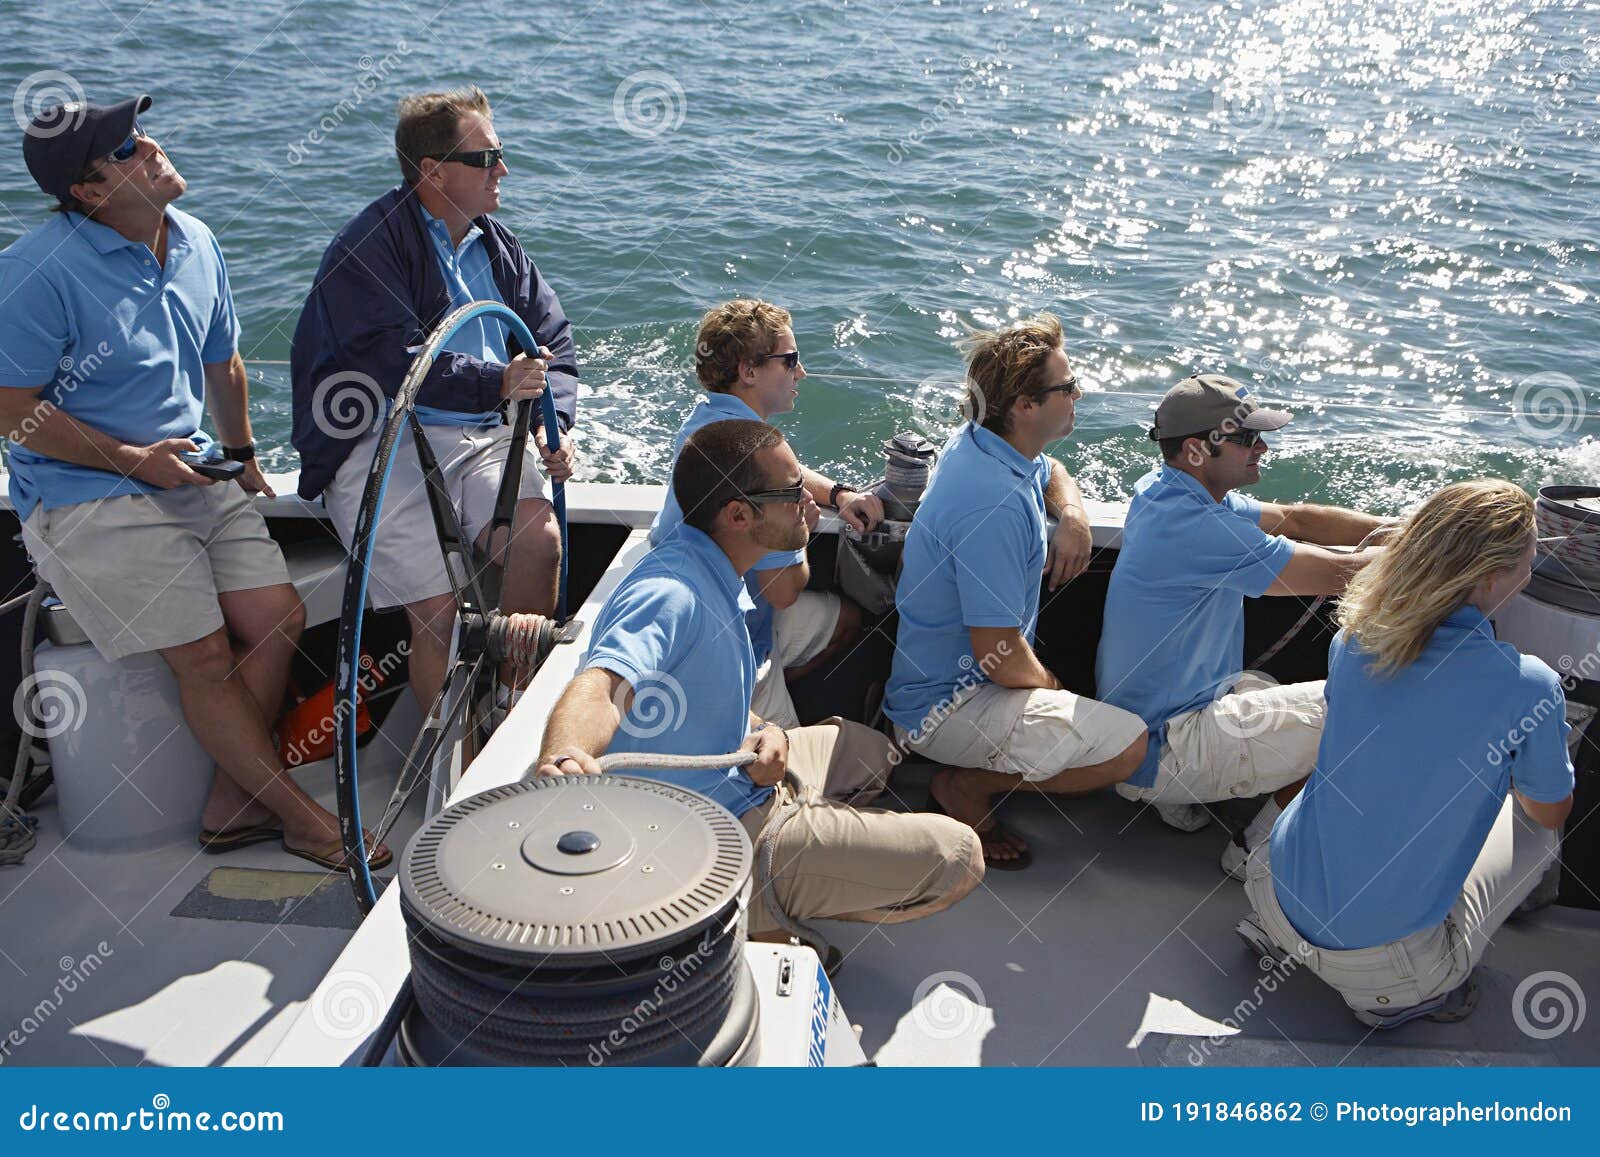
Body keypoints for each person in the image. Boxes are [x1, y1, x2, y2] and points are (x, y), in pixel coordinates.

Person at [0, 94, 384, 869]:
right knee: (206, 654)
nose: (151, 146)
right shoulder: (32, 274)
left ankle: (230, 801)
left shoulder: (196, 240)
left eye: (143, 133)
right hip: (87, 493)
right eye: (127, 149)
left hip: (196, 470)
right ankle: (300, 816)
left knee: (277, 616)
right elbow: (12, 413)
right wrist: (135, 461)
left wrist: (240, 453)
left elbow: (225, 361)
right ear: (89, 190)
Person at [537, 420, 981, 956]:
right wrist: (565, 757)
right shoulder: (670, 593)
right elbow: (603, 686)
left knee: (872, 752)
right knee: (959, 858)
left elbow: (702, 698)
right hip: (712, 830)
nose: (807, 500)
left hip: (742, 769)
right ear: (739, 515)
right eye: (792, 491)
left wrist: (764, 729)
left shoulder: (720, 571)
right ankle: (753, 902)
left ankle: (792, 862)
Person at [1238, 479, 1574, 1028]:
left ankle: (1279, 936)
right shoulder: (1530, 687)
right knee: (1537, 823)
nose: (1530, 574)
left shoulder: (1353, 636)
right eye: (1526, 563)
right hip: (1382, 972)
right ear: (1491, 576)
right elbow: (1549, 811)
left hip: (1270, 893)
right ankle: (1400, 999)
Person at [291, 86, 578, 713]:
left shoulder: (496, 244)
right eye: (486, 158)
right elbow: (391, 360)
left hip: (479, 430)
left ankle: (511, 703)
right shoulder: (368, 246)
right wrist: (497, 382)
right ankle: (454, 769)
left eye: (500, 154)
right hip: (380, 438)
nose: (502, 169)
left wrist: (552, 424)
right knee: (437, 610)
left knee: (539, 541)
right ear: (433, 171)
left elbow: (552, 337)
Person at [1095, 374, 1389, 878]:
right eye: (1248, 438)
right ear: (1195, 449)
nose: (1263, 447)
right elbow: (1340, 573)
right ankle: (1252, 852)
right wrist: (1441, 549)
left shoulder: (1168, 491)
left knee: (1274, 692)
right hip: (1164, 745)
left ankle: (1177, 796)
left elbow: (1298, 518)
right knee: (1364, 712)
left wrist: (1403, 529)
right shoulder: (1198, 528)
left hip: (1145, 730)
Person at [884, 314, 1149, 870]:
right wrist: (1053, 686)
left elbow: (1049, 469)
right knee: (1128, 747)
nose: (1078, 394)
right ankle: (965, 787)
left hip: (934, 678)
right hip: (951, 702)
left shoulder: (982, 444)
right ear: (1025, 405)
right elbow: (996, 652)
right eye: (1066, 387)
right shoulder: (995, 507)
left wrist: (1073, 514)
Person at [650, 299, 879, 729]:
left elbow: (775, 470)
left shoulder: (710, 424)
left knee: (846, 620)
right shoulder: (753, 448)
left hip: (701, 607)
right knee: (787, 781)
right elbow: (783, 593)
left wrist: (838, 495)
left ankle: (776, 689)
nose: (802, 373)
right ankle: (756, 705)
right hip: (730, 637)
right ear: (748, 371)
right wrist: (802, 533)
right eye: (789, 361)